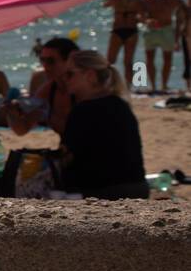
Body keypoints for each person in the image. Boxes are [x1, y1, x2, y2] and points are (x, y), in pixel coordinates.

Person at [59, 50, 148, 199]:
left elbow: (68, 155)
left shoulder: (83, 110)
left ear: (90, 76)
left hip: (102, 190)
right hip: (136, 186)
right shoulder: (120, 104)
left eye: (69, 74)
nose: (64, 79)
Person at [5, 36, 78, 137]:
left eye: (51, 61)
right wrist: (11, 112)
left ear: (69, 61)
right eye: (42, 60)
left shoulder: (85, 89)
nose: (45, 66)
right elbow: (22, 129)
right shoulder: (49, 90)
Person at [142, 0, 186, 92]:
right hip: (151, 31)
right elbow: (140, 15)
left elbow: (183, 12)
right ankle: (153, 86)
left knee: (168, 58)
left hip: (166, 29)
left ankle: (164, 85)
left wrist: (178, 36)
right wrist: (147, 20)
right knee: (149, 58)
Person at [103, 0, 144, 84]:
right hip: (131, 31)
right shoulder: (138, 1)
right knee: (128, 62)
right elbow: (143, 17)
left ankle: (110, 85)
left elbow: (105, 4)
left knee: (110, 61)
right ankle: (128, 88)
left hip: (118, 30)